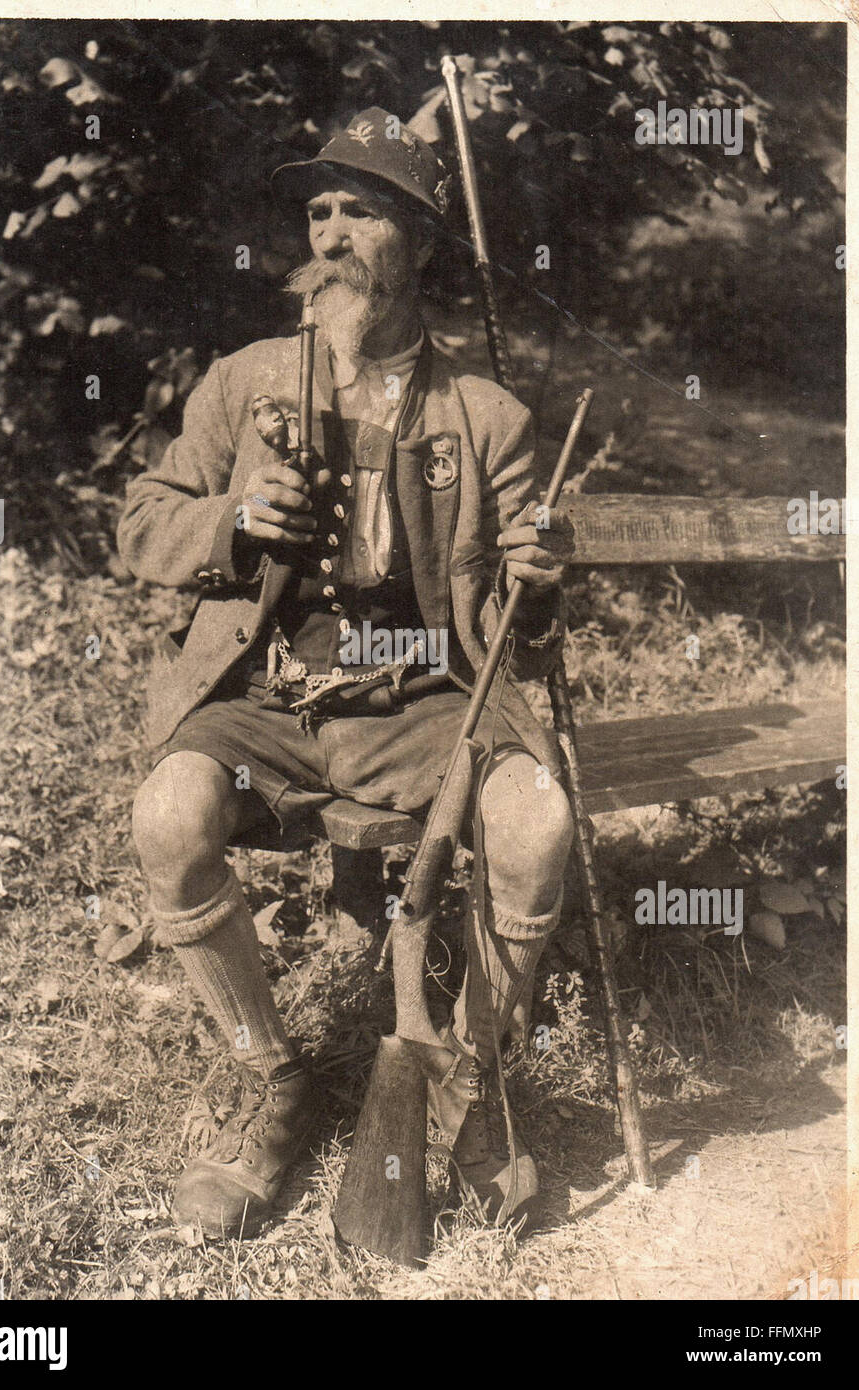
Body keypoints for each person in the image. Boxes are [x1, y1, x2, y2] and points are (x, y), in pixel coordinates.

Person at [117, 108, 575, 1241]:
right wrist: (231, 520)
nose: (328, 235)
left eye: (358, 210)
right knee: (167, 817)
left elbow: (530, 626)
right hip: (267, 695)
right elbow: (141, 520)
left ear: (417, 240)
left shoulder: (487, 417)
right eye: (316, 211)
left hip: (426, 698)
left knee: (537, 822)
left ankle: (469, 1093)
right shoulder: (246, 382)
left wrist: (543, 574)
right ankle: (273, 1076)